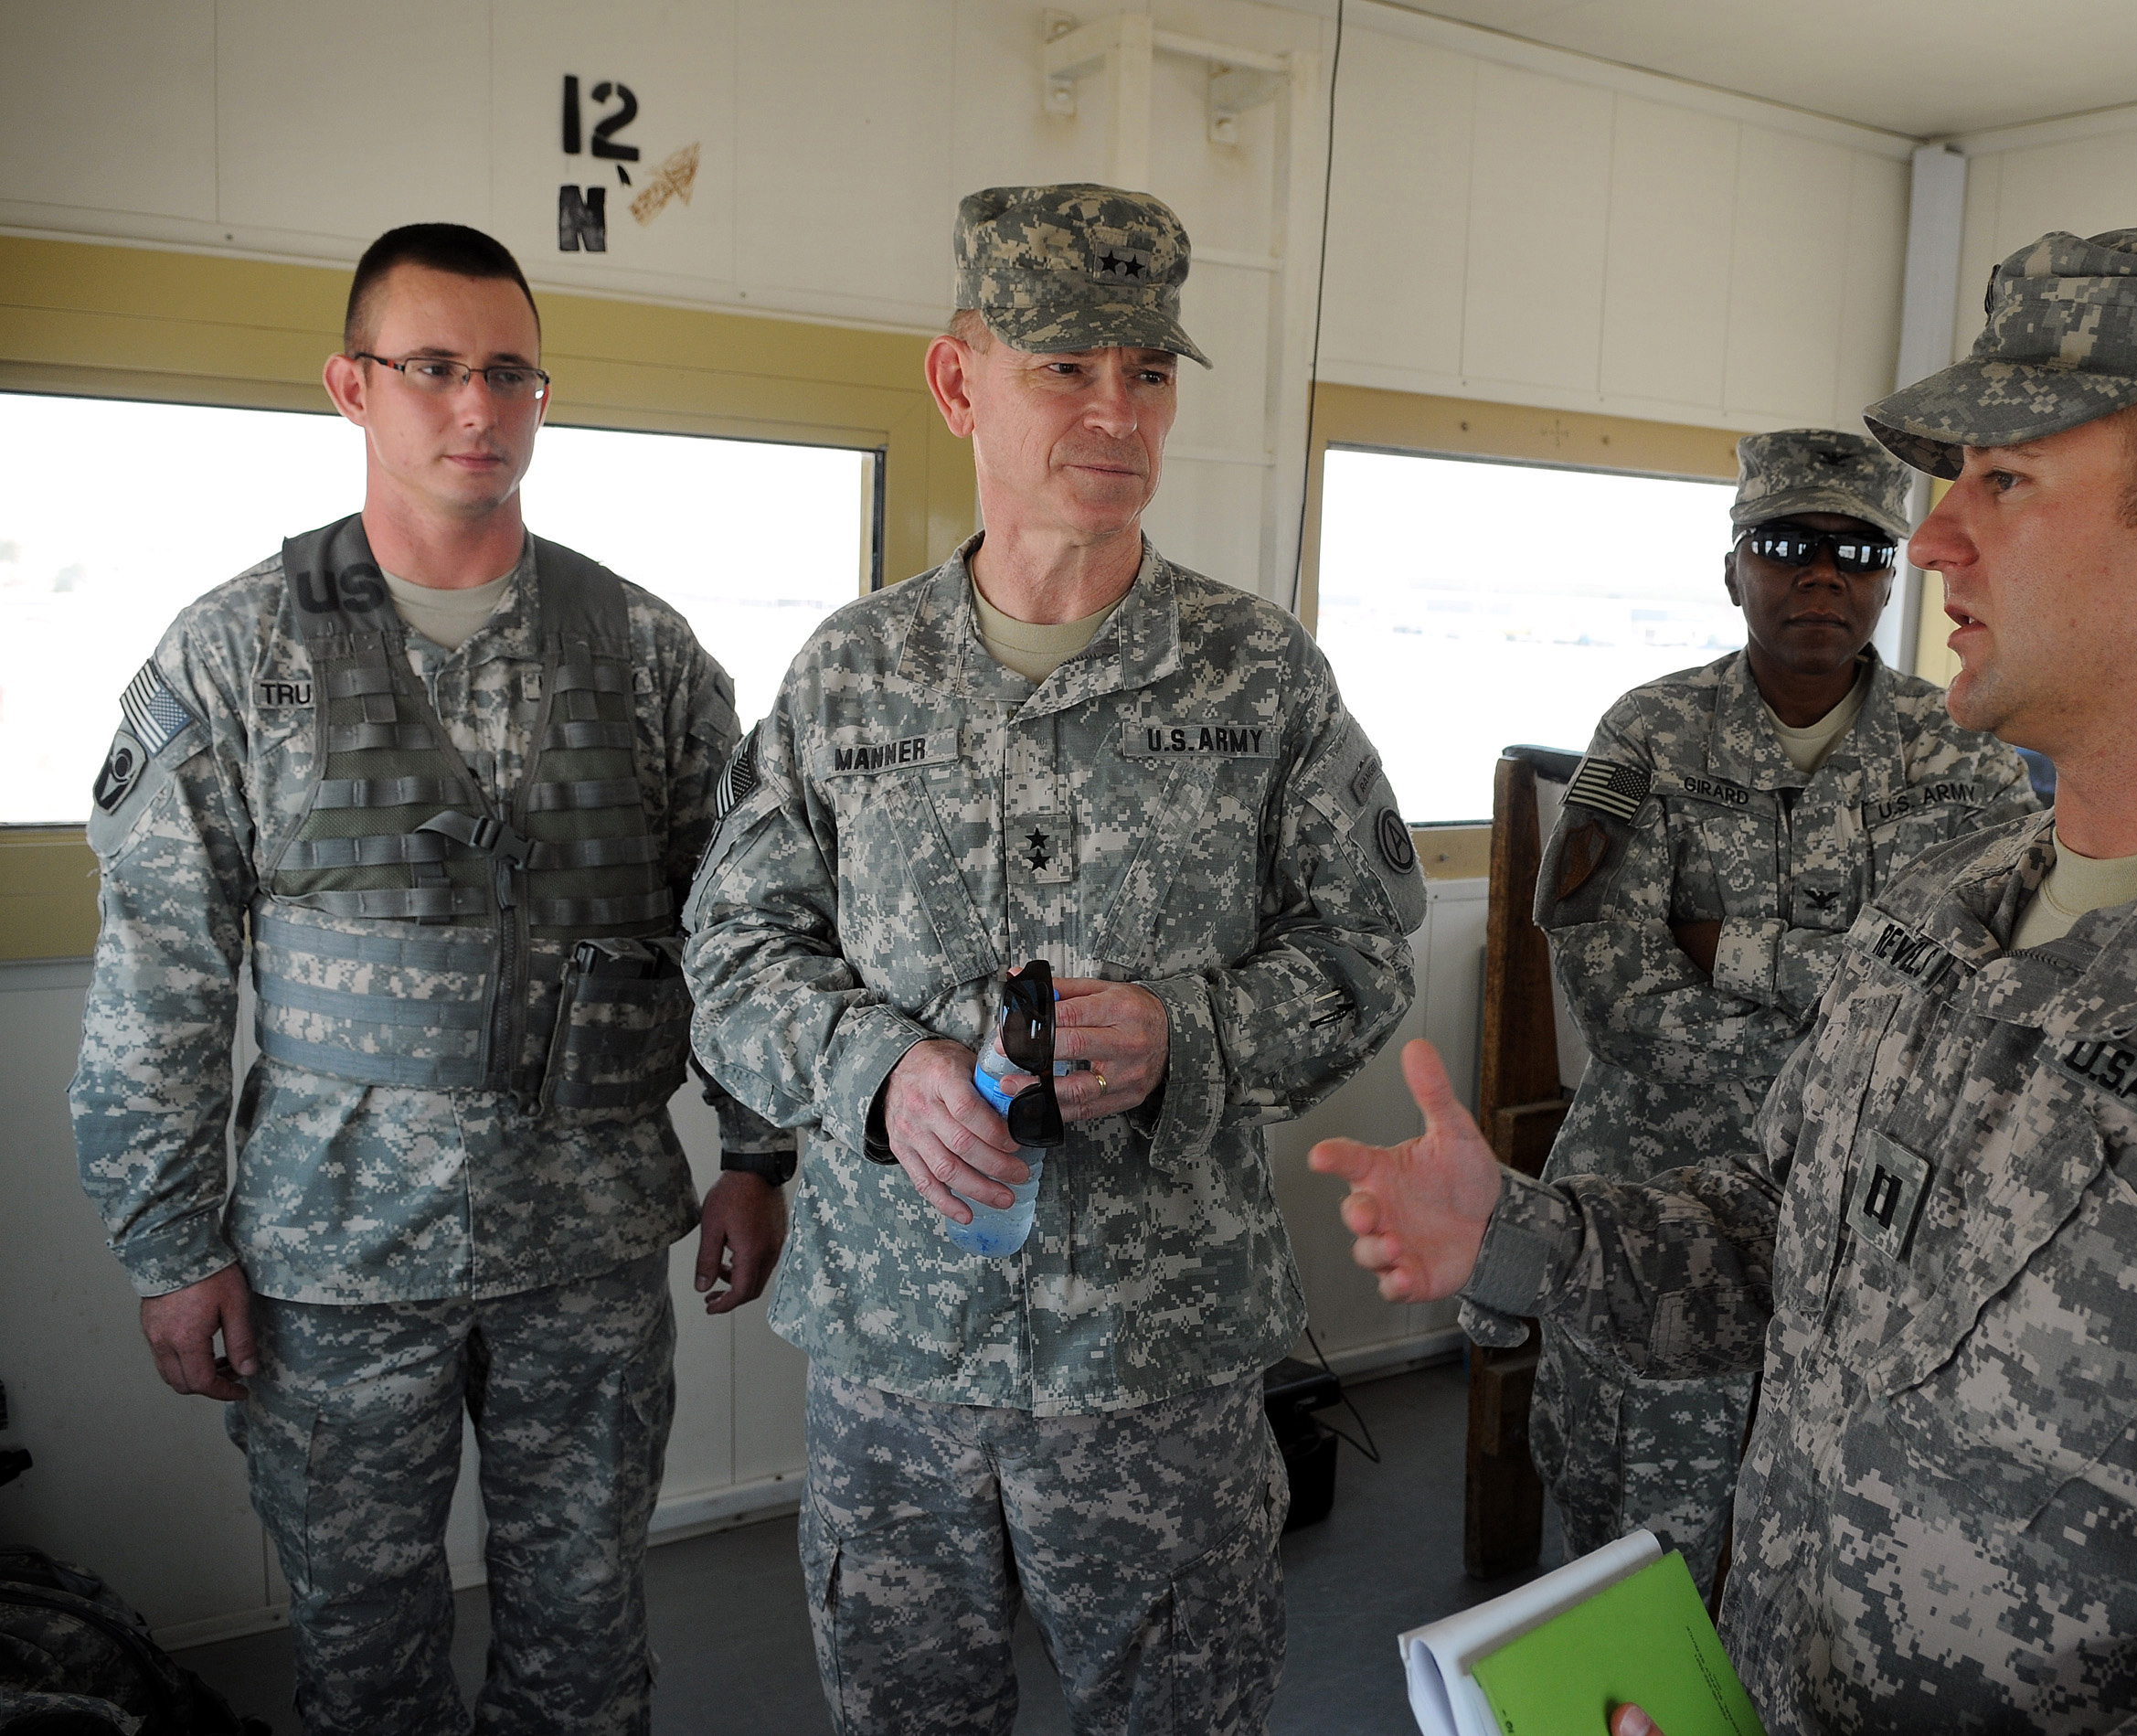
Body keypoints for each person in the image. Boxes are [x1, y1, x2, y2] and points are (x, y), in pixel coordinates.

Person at [1315, 213, 2137, 1733]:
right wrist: (1519, 1236)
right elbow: (1774, 1239)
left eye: (2000, 477)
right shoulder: (1945, 914)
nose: (1924, 543)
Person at [680, 184, 1424, 1736]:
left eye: (1146, 372)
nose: (1115, 408)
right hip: (899, 1355)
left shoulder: (1257, 671)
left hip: (1156, 1356)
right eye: (1065, 366)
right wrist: (877, 1074)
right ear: (959, 383)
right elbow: (732, 951)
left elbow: (1361, 945)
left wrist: (1185, 1034)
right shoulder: (850, 670)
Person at [67, 222, 792, 1736]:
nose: (479, 405)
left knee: (585, 1640)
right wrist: (166, 1241)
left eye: (511, 370)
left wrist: (757, 1148)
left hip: (584, 1249)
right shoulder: (237, 652)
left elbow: (733, 923)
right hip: (331, 1259)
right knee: (362, 1661)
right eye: (436, 367)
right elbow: (161, 965)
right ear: (353, 384)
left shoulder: (644, 651)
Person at [1513, 428, 2034, 1595]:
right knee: (1632, 1529)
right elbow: (1615, 980)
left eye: (1859, 551)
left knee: (1840, 1541)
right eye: (1789, 545)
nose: (1823, 576)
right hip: (1657, 1177)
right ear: (1734, 566)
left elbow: (1970, 982)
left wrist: (1733, 948)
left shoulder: (1965, 747)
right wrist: (1847, 1003)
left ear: (1892, 577)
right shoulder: (1652, 730)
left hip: (1867, 1193)